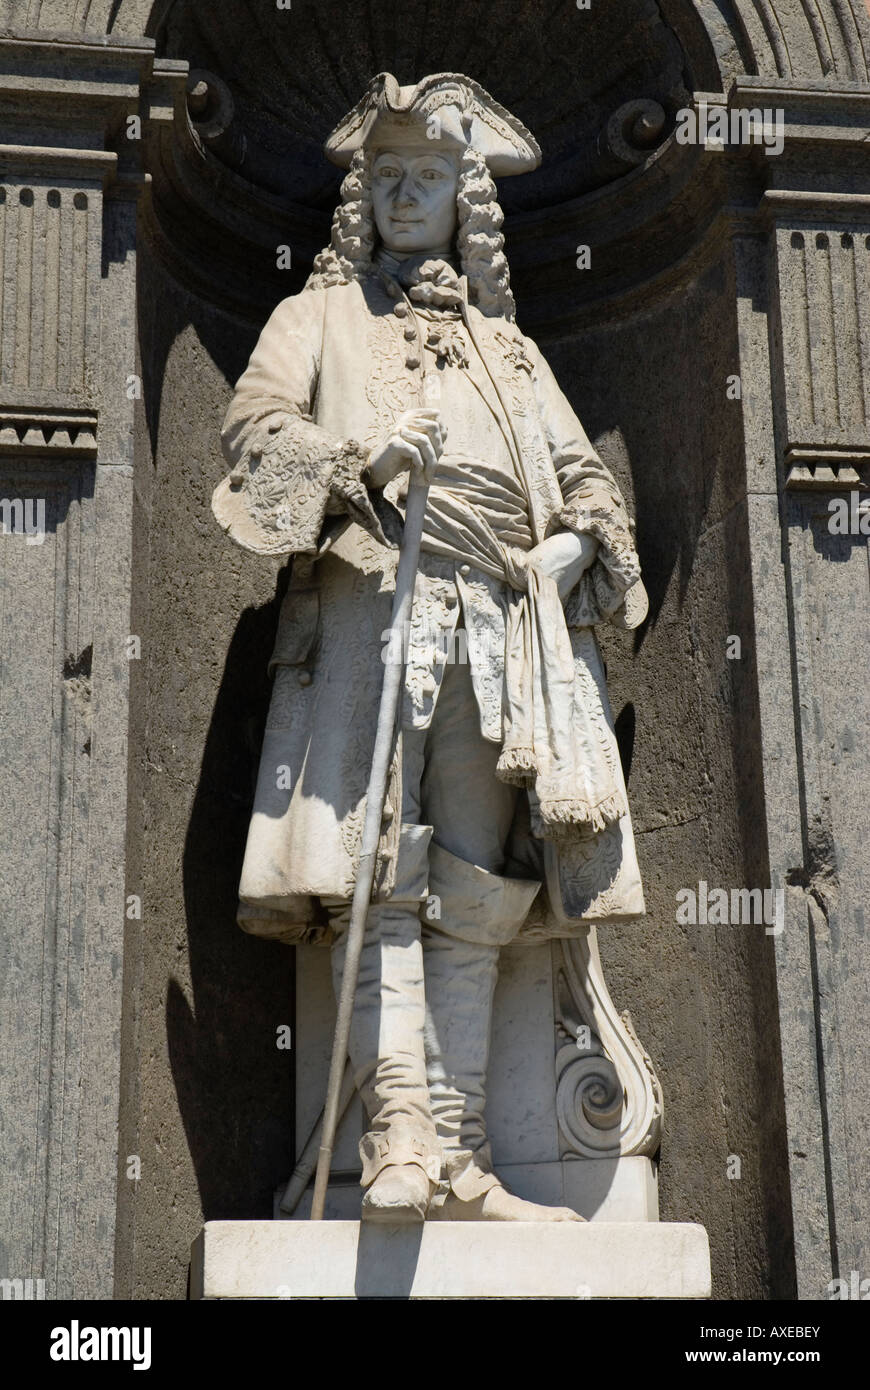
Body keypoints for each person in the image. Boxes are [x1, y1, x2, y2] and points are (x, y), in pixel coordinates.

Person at [213, 72, 647, 1223]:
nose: (409, 195)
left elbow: (587, 476)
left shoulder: (510, 350)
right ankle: (396, 1135)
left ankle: (459, 1157)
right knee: (380, 866)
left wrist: (571, 548)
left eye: (431, 178)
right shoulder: (317, 318)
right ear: (363, 194)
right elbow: (253, 431)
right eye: (389, 176)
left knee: (481, 882)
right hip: (372, 605)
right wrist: (365, 464)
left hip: (505, 625)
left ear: (467, 199)